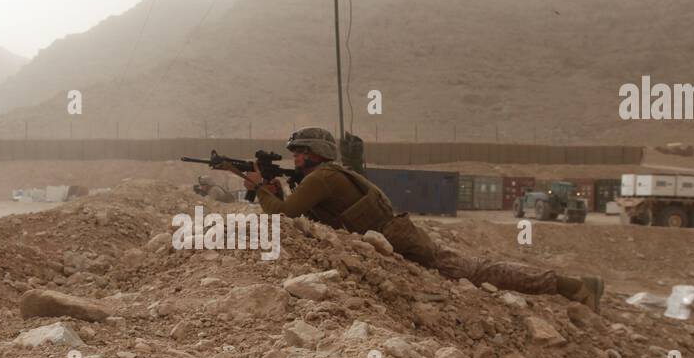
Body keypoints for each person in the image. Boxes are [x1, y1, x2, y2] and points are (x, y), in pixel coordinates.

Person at [236, 127, 604, 311]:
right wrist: (269, 188)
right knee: (473, 270)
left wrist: (259, 188)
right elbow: (296, 213)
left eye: (299, 153)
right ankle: (571, 285)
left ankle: (573, 286)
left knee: (476, 271)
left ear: (313, 153)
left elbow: (283, 214)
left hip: (400, 240)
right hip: (397, 236)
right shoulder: (324, 176)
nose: (295, 160)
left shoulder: (322, 178)